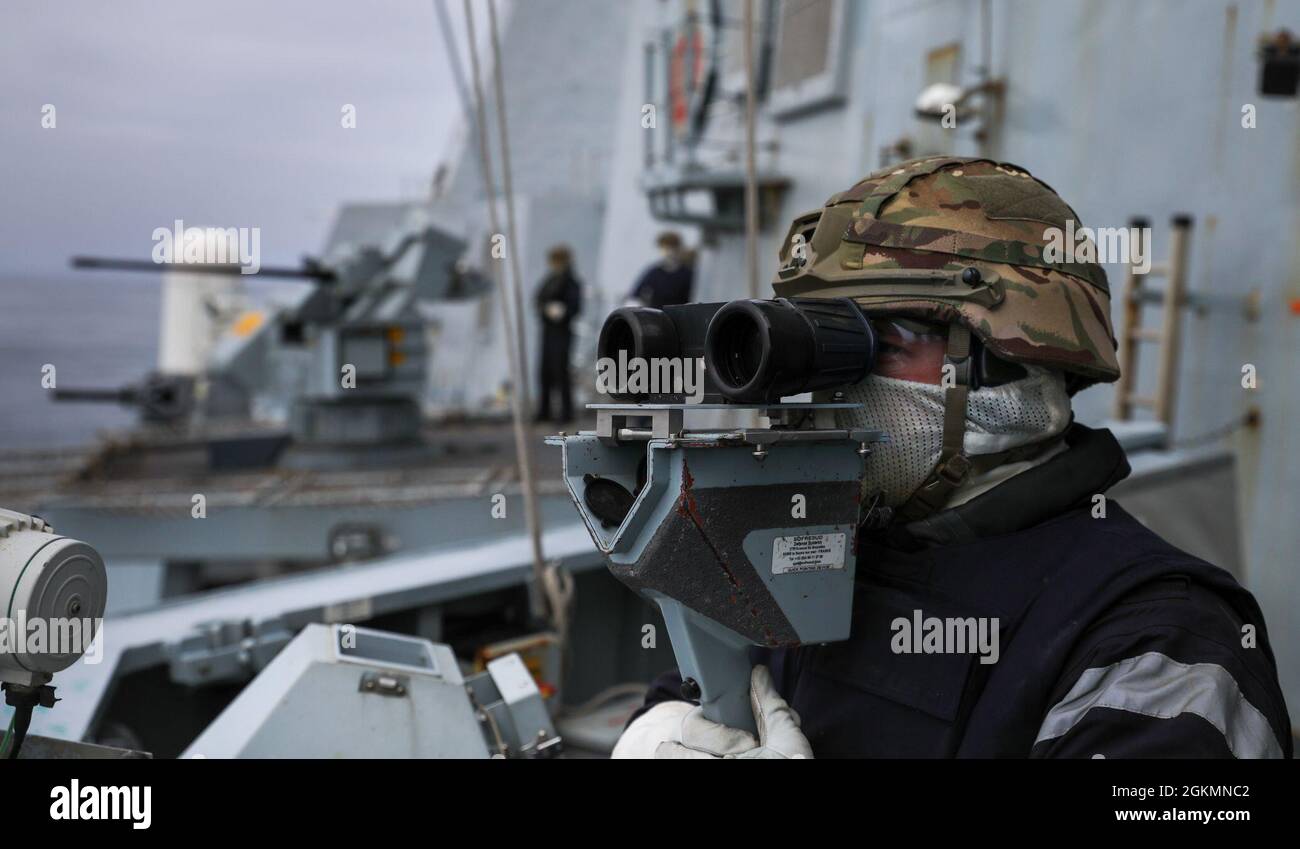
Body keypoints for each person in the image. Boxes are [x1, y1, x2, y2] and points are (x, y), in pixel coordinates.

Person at [612, 156, 1291, 759]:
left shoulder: (1159, 642)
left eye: (880, 341)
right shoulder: (793, 551)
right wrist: (658, 725)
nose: (819, 387)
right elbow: (698, 693)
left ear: (1010, 360)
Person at [534, 245, 582, 424]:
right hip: (548, 330)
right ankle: (544, 410)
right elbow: (538, 298)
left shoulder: (571, 282)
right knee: (544, 371)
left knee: (561, 371)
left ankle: (566, 412)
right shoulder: (550, 279)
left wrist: (563, 312)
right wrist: (545, 309)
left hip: (562, 331)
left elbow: (575, 307)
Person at [628, 231, 693, 308]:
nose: (669, 252)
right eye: (665, 248)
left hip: (681, 316)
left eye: (672, 248)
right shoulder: (654, 273)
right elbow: (635, 297)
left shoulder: (687, 274)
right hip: (657, 316)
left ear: (678, 249)